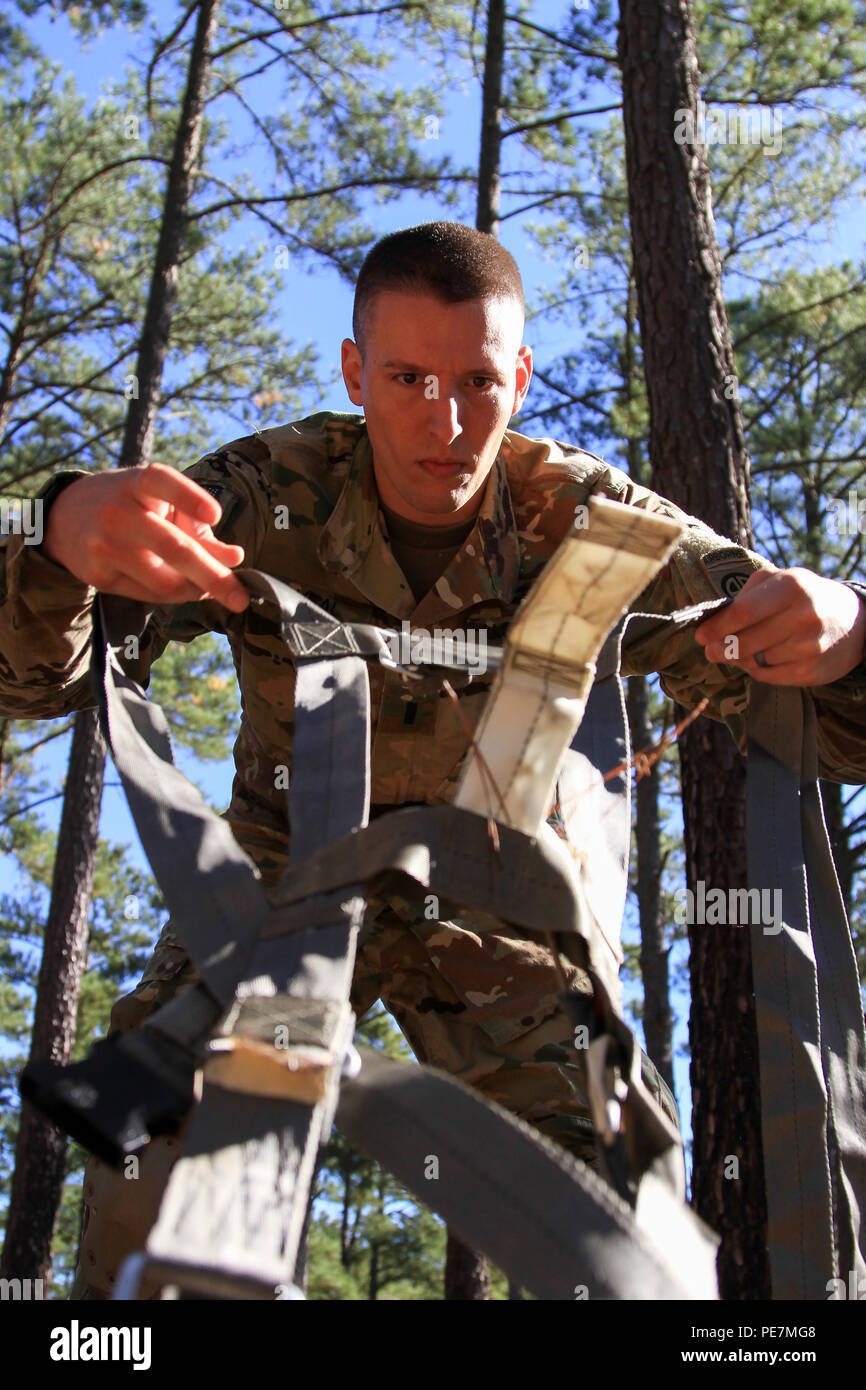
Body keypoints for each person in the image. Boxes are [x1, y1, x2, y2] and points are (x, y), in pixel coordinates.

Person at [2, 221, 865, 1299]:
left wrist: (847, 626)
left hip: (501, 904)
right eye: (406, 377)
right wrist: (52, 539)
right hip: (290, 890)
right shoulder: (270, 494)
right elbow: (35, 678)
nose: (443, 423)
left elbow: (804, 696)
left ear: (521, 376)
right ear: (354, 368)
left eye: (477, 383)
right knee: (164, 1151)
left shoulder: (586, 522)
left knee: (618, 1221)